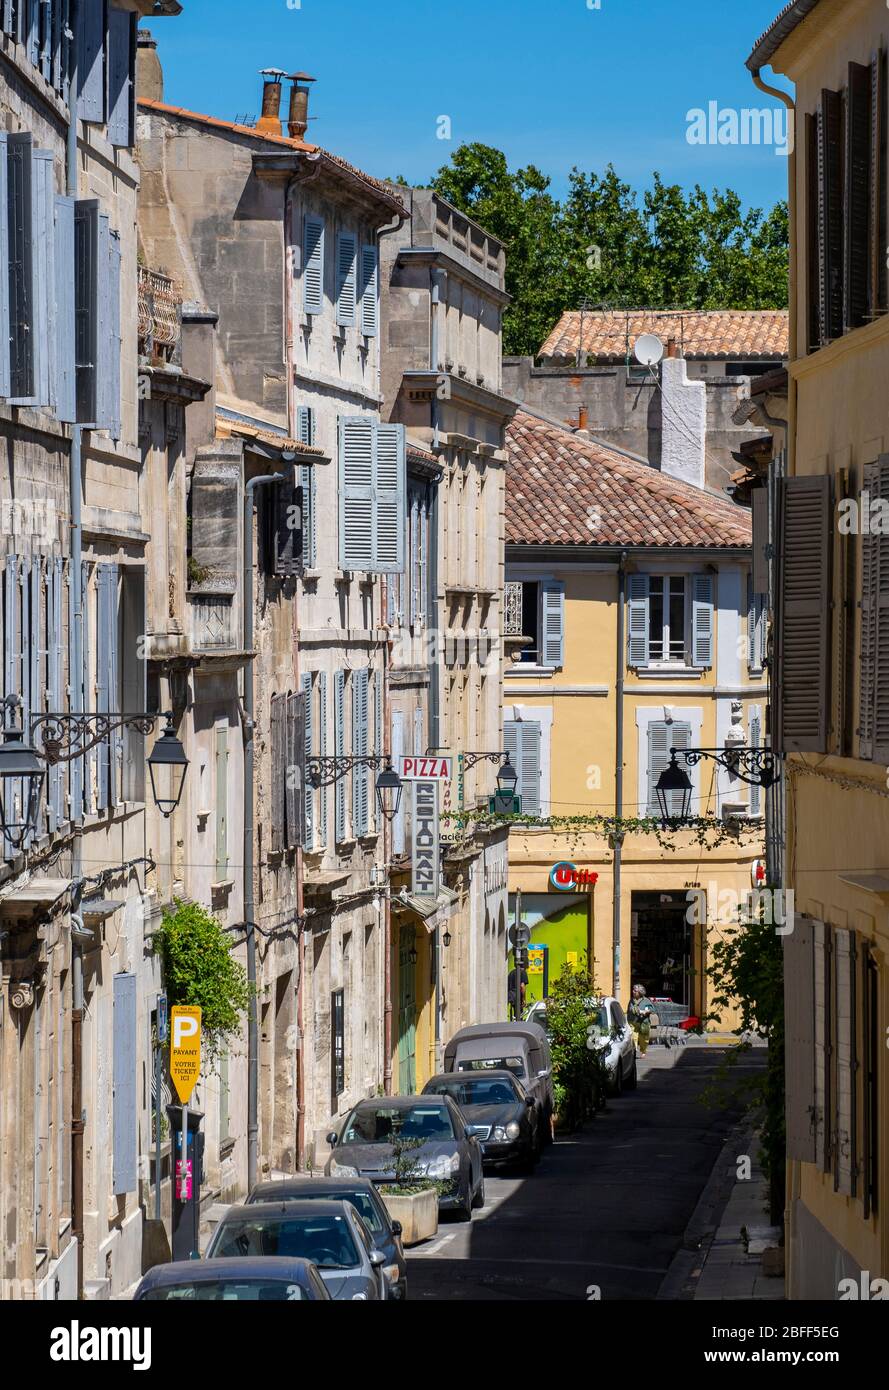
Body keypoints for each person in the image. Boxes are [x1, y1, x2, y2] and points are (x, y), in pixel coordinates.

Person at [627, 982, 655, 1055]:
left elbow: (653, 1010)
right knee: (633, 1037)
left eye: (635, 991)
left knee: (644, 1040)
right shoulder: (631, 1000)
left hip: (643, 1023)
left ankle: (643, 1051)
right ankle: (635, 1049)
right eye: (633, 990)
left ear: (640, 992)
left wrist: (646, 1011)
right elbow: (629, 1010)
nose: (633, 991)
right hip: (632, 1022)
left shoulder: (646, 1000)